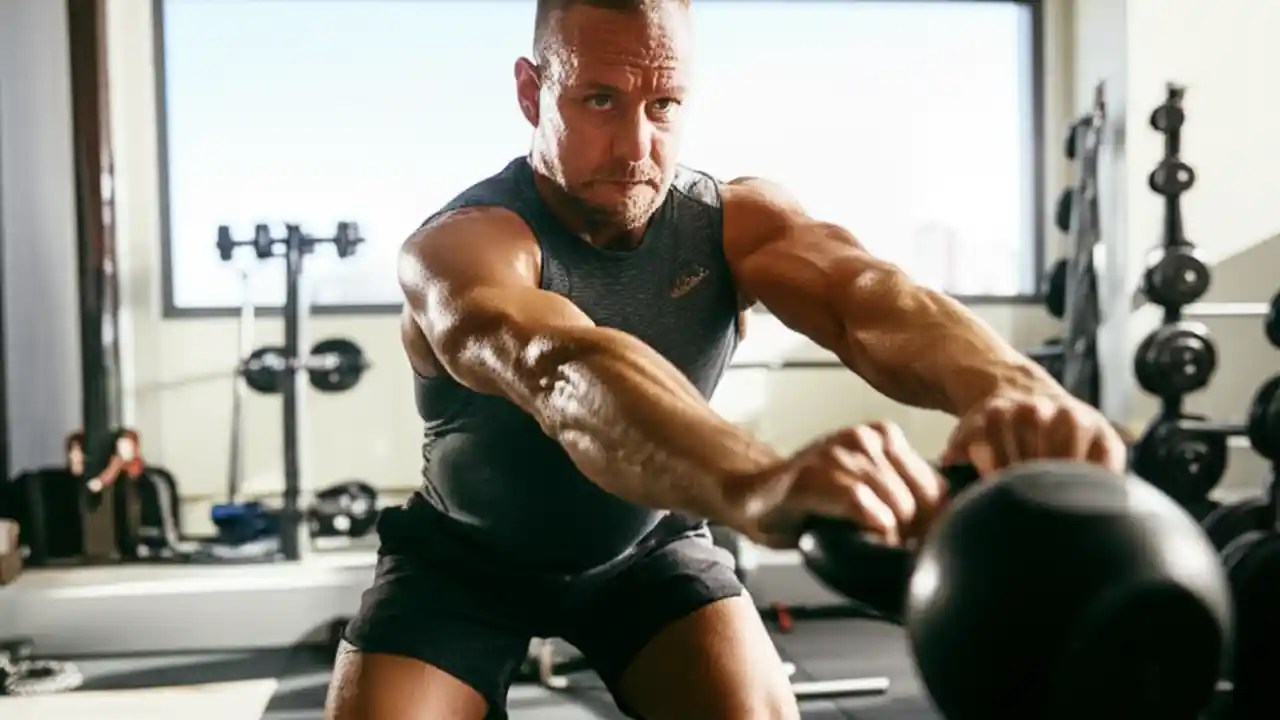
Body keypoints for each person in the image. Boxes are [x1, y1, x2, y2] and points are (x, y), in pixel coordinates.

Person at [326, 1, 1127, 718]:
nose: (636, 147)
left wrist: (1013, 389)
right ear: (533, 93)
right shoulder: (460, 248)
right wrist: (760, 480)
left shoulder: (731, 220)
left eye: (663, 105)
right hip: (464, 561)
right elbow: (564, 369)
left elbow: (863, 297)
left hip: (645, 550)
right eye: (599, 100)